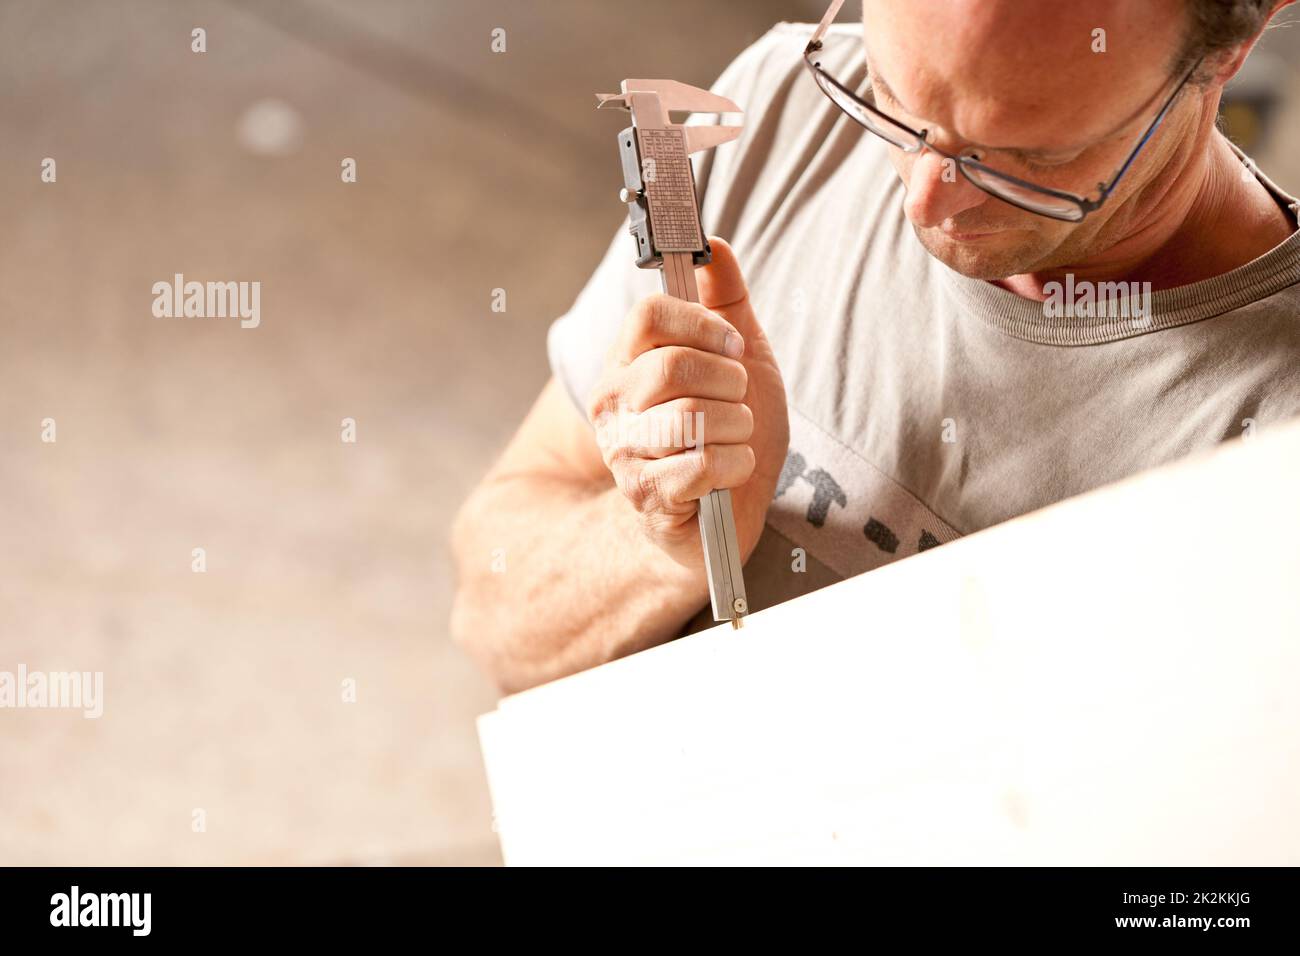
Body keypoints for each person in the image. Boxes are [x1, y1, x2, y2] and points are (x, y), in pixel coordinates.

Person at [452, 0, 1300, 692]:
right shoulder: (782, 109)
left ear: (1234, 47)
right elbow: (491, 617)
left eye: (1024, 158)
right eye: (893, 98)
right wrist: (659, 547)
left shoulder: (1274, 447)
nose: (928, 200)